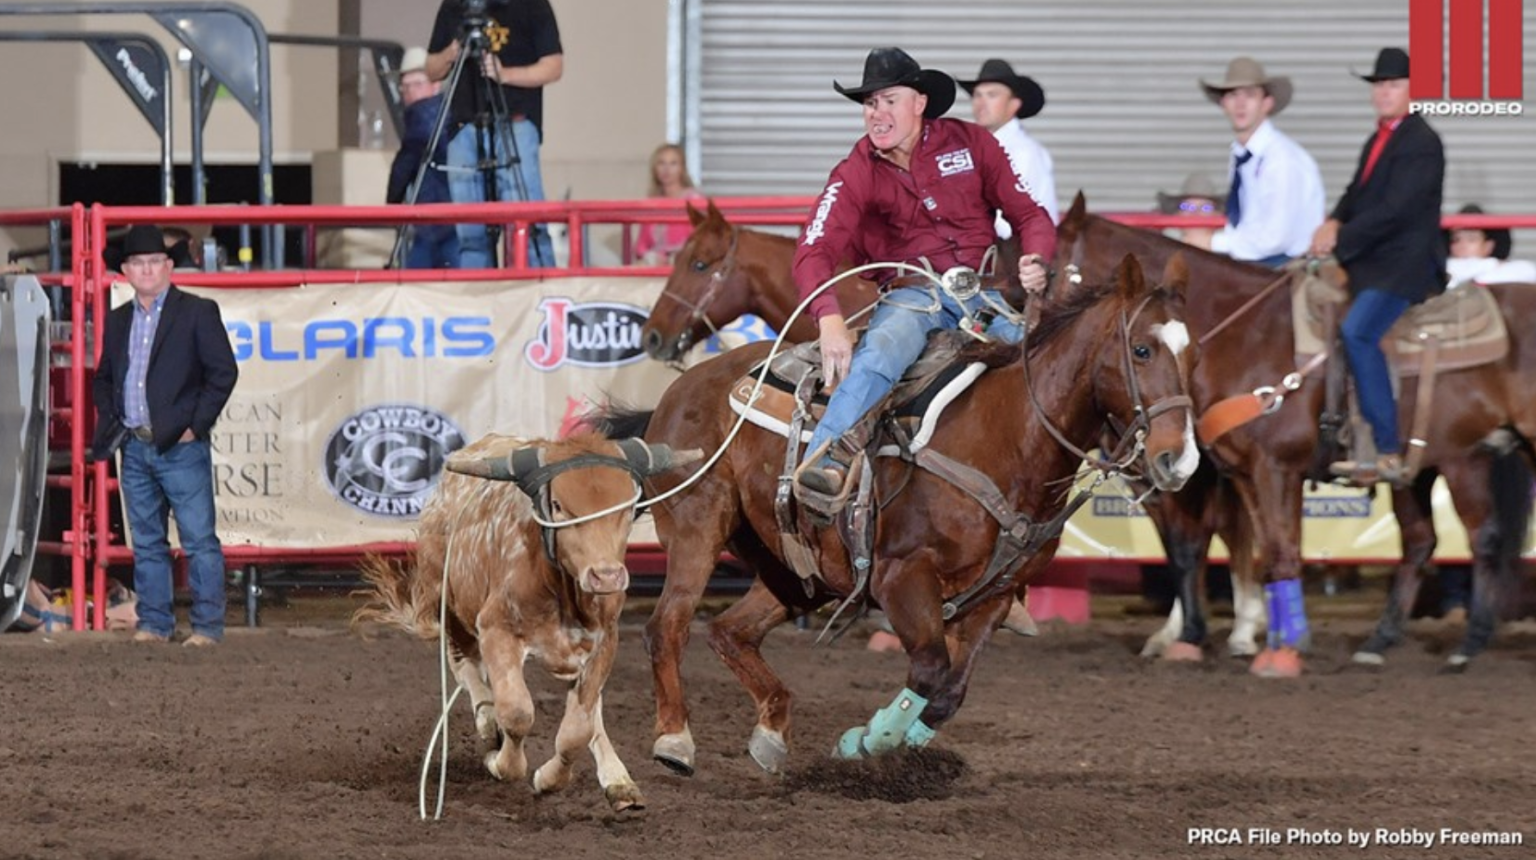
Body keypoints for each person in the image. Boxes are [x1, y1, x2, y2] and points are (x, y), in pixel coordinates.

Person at [792, 47, 1054, 501]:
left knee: (1047, 361)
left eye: (888, 100)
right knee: (881, 354)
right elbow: (814, 249)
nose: (877, 113)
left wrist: (1036, 258)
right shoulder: (855, 171)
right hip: (914, 298)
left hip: (984, 297)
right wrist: (828, 316)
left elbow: (1031, 215)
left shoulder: (973, 144)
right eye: (870, 103)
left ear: (919, 102)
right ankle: (826, 461)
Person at [91, 225, 239, 646]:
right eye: (138, 263)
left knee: (197, 539)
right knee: (149, 540)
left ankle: (206, 626)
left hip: (179, 444)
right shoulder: (119, 320)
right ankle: (155, 623)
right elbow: (104, 377)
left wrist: (196, 425)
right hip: (136, 442)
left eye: (154, 261)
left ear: (169, 266)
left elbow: (222, 372)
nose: (147, 269)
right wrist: (115, 417)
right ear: (126, 270)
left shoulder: (196, 311)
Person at [1311, 48, 1445, 486]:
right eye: (1379, 85)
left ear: (1412, 91)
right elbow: (1357, 191)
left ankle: (1387, 448)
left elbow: (1395, 211)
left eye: (1393, 84)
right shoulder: (1379, 139)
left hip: (1404, 265)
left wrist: (1340, 238)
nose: (1383, 92)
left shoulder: (1422, 142)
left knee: (1359, 332)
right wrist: (1333, 218)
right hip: (1373, 259)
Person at [427, 0, 562, 268]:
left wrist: (505, 74)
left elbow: (554, 66)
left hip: (516, 122)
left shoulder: (532, 5)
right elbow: (432, 69)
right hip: (464, 126)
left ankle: (540, 289)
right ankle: (478, 298)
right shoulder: (454, 6)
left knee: (527, 220)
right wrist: (452, 53)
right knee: (470, 231)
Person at [1183, 57, 1324, 267]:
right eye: (1233, 95)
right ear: (1224, 104)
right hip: (1255, 263)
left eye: (1249, 95)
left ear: (1266, 103)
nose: (1240, 104)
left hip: (1288, 267)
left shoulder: (1281, 158)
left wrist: (1212, 242)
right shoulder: (1242, 154)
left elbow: (1275, 238)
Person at [959, 58, 1059, 226]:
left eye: (992, 95)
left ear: (1013, 105)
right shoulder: (973, 147)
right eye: (977, 95)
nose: (981, 103)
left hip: (1015, 248)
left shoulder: (1024, 152)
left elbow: (1016, 216)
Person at [388, 46, 459, 269]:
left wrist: (391, 203)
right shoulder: (451, 114)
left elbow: (403, 167)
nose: (410, 92)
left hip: (435, 220)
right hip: (452, 216)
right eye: (405, 86)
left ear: (436, 84)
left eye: (417, 84)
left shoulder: (421, 118)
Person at [634, 143, 706, 266]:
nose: (667, 169)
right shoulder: (652, 203)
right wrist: (651, 256)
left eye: (673, 163)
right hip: (655, 261)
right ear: (654, 169)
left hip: (685, 261)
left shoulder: (694, 200)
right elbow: (641, 245)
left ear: (682, 168)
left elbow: (701, 239)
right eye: (661, 163)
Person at [1445, 203, 1536, 287]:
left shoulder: (1512, 270)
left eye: (1471, 239)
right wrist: (1492, 264)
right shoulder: (1445, 268)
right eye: (1455, 240)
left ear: (1488, 246)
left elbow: (1529, 271)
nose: (1462, 245)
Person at [1155, 172, 1226, 245]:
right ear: (1177, 214)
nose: (1196, 213)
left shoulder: (1232, 252)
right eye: (1187, 207)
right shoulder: (1164, 249)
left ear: (1218, 214)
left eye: (1206, 208)